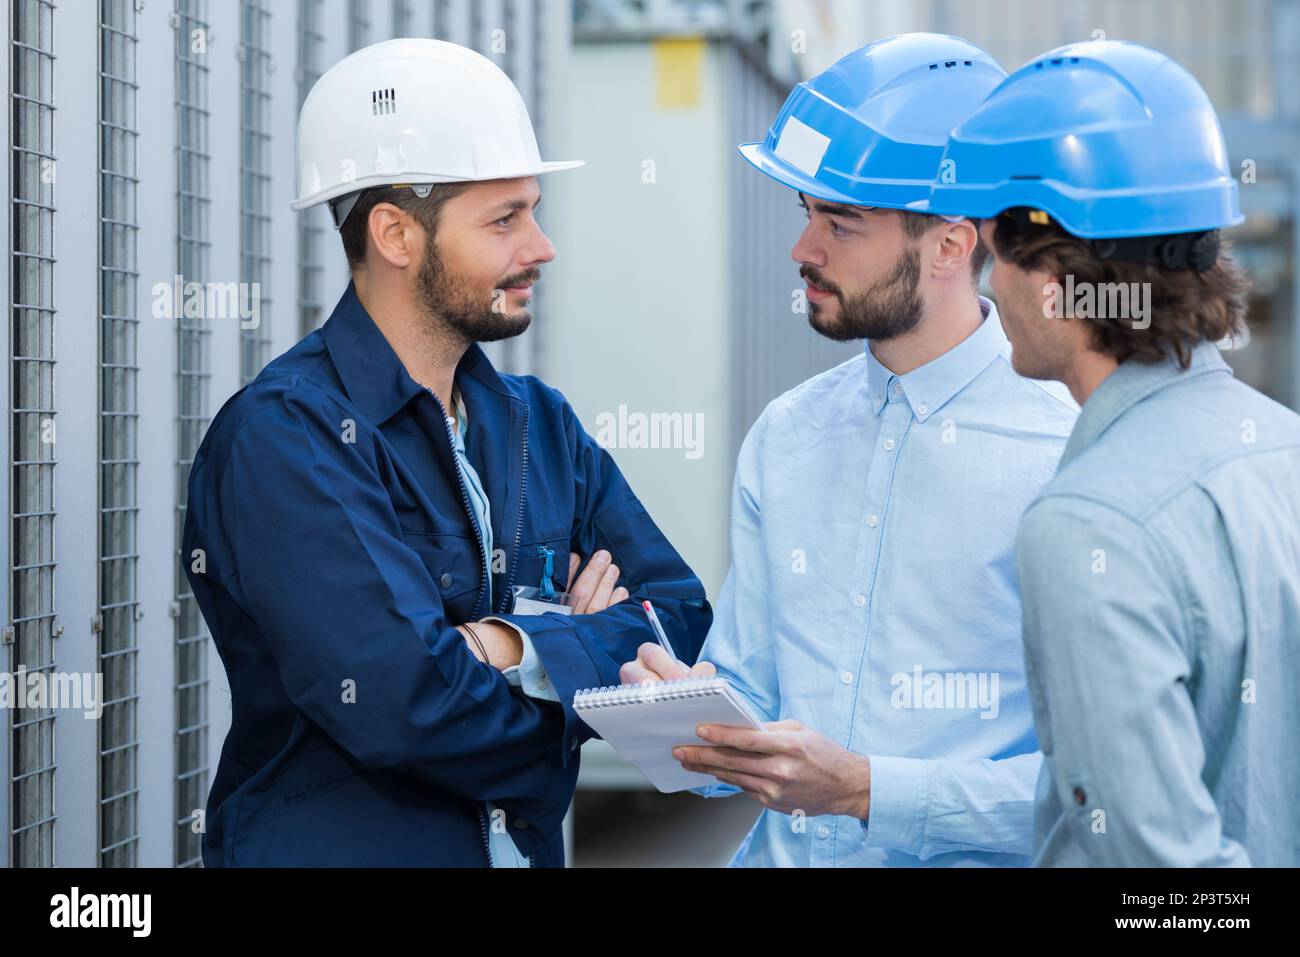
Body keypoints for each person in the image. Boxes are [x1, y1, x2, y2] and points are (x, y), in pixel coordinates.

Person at [182, 38, 711, 867]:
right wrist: (578, 681)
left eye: (533, 210)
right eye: (504, 219)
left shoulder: (541, 426)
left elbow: (676, 616)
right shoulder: (288, 439)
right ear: (396, 233)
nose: (541, 246)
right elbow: (406, 705)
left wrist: (507, 648)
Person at [623, 34, 1078, 867]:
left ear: (951, 243)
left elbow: (1096, 797)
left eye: (841, 222)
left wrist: (867, 789)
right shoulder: (787, 437)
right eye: (807, 214)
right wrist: (692, 719)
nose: (804, 250)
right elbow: (756, 701)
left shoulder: (1065, 455)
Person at [915, 38, 1300, 866]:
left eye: (996, 253)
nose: (987, 285)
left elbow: (1157, 875)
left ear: (1054, 276)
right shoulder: (1283, 449)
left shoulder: (1088, 524)